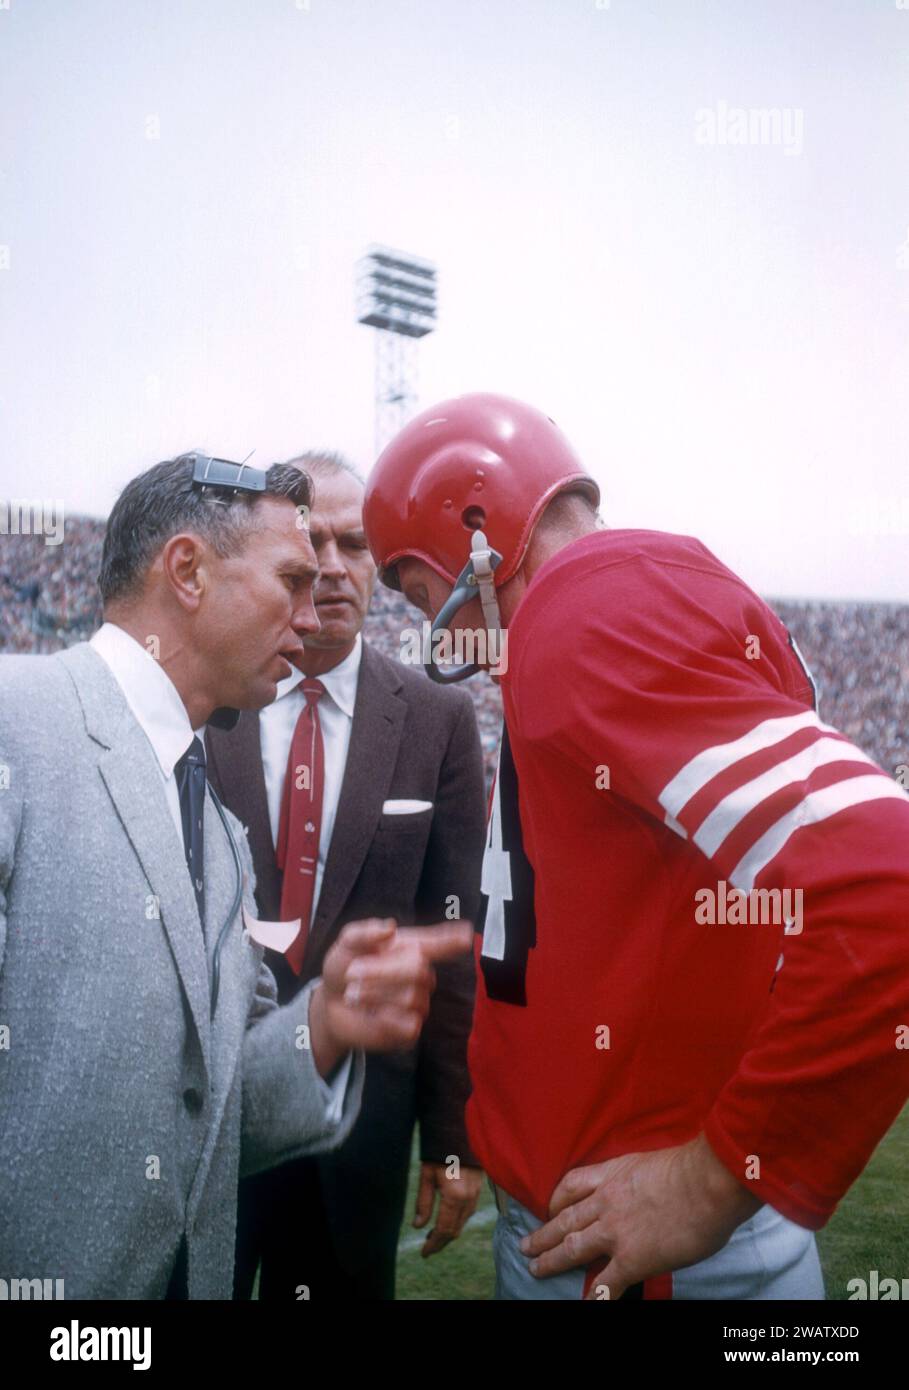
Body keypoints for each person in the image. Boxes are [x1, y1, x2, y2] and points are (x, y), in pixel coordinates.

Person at [362, 393, 909, 1301]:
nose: (442, 631)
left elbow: (886, 880)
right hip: (586, 1217)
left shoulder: (587, 616)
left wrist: (713, 1180)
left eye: (428, 594)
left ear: (478, 531)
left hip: (642, 1256)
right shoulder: (608, 605)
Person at [0, 451, 470, 1300]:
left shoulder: (210, 828)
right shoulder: (14, 725)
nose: (313, 610)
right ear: (187, 571)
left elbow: (214, 1110)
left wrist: (323, 1023)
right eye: (292, 576)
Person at [206, 451, 486, 1301]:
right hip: (213, 1117)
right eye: (309, 542)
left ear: (379, 564)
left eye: (354, 544)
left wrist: (450, 1136)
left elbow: (454, 945)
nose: (330, 566)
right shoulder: (206, 704)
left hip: (358, 1124)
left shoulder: (437, 719)